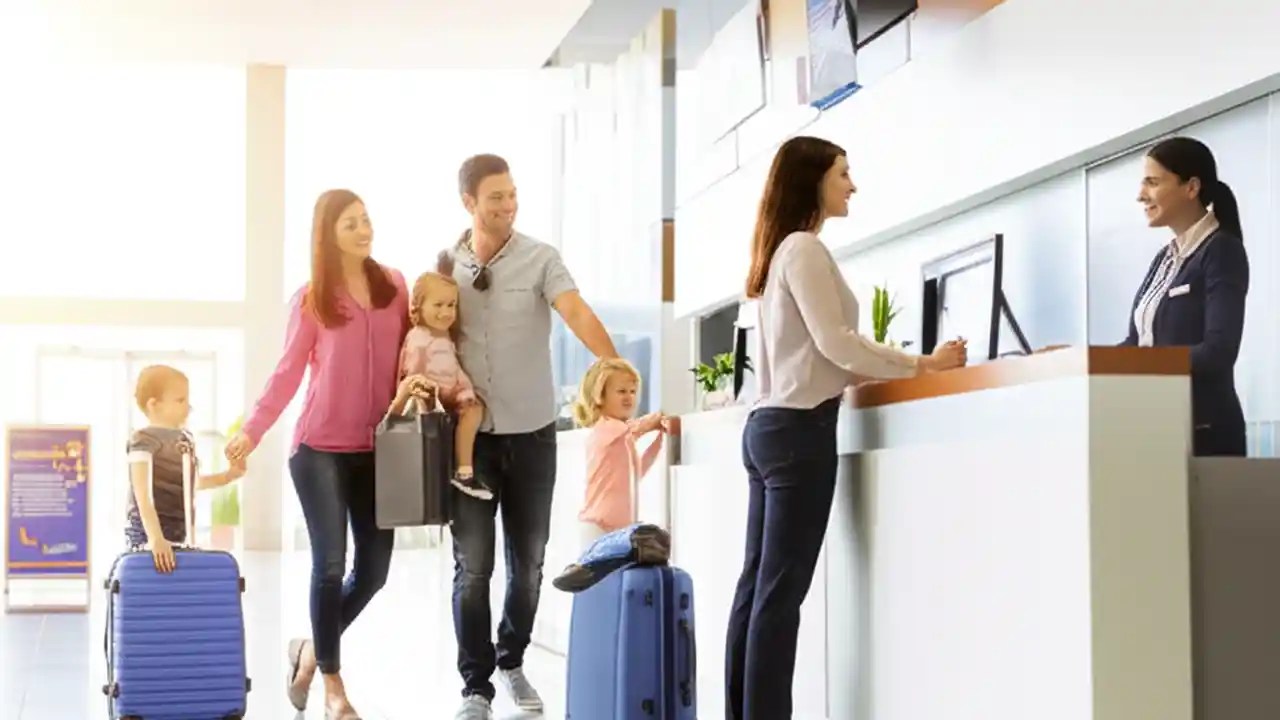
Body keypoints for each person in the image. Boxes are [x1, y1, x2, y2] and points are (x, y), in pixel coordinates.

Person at [726, 135, 967, 720]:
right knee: (779, 597)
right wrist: (923, 364)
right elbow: (835, 340)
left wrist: (864, 371)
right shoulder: (804, 248)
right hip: (797, 433)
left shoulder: (780, 251)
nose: (852, 185)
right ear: (812, 181)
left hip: (770, 430)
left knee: (758, 589)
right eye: (842, 173)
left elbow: (817, 351)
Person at [224, 189, 423, 720]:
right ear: (327, 234)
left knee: (375, 572)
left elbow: (415, 349)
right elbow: (288, 372)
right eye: (350, 223)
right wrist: (252, 430)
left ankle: (310, 651)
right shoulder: (312, 298)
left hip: (380, 449)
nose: (364, 229)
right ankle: (333, 686)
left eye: (366, 220)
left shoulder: (395, 287)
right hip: (318, 450)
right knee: (330, 565)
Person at [441, 153, 617, 720]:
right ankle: (476, 686)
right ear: (469, 202)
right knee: (472, 569)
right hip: (470, 441)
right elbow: (426, 327)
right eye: (496, 196)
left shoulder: (542, 258)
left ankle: (511, 658)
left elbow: (575, 311)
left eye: (513, 194)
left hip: (533, 433)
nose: (508, 204)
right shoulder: (446, 264)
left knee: (530, 564)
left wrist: (612, 362)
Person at [1119, 136, 1249, 456]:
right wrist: (1083, 359)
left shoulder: (1221, 250)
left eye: (1152, 182)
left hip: (1206, 432)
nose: (1141, 195)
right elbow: (1137, 343)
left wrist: (1146, 362)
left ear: (1191, 188)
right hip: (1160, 425)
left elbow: (1218, 351)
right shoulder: (1164, 259)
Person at [126, 364, 246, 572]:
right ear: (154, 405)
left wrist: (229, 476)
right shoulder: (143, 440)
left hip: (178, 534)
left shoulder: (184, 439)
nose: (188, 407)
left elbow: (190, 483)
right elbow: (142, 494)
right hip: (149, 537)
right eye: (180, 400)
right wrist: (155, 538)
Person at [391, 269, 488, 498]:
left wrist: (465, 390)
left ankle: (464, 472)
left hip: (450, 397)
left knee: (474, 412)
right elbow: (412, 373)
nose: (446, 312)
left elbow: (455, 370)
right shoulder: (418, 338)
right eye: (438, 305)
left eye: (451, 305)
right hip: (429, 398)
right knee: (432, 427)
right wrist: (424, 395)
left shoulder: (446, 339)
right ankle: (429, 477)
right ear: (418, 306)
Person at [571, 357, 667, 550]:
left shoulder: (622, 437)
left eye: (633, 392)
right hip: (598, 526)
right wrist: (650, 422)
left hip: (617, 529)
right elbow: (632, 430)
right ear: (600, 396)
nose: (629, 397)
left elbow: (637, 472)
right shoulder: (606, 428)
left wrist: (659, 440)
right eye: (621, 391)